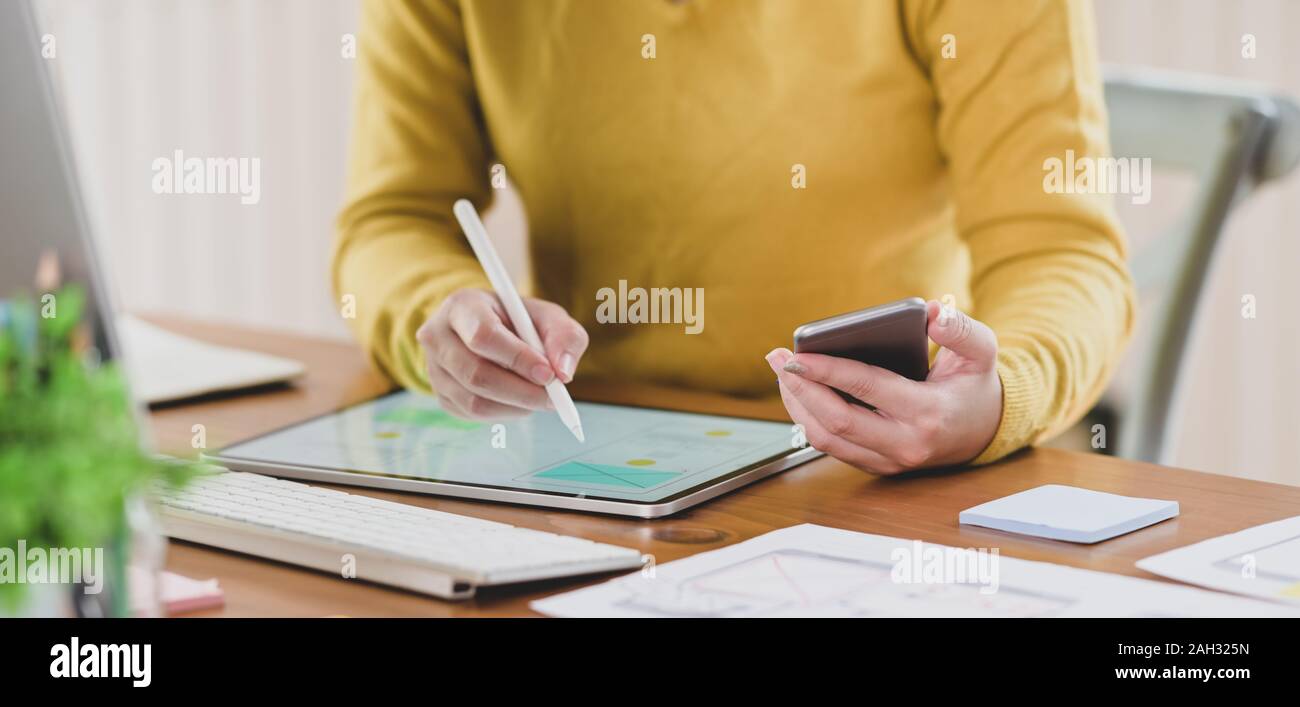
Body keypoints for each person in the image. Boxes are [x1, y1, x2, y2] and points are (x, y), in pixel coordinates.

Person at [333, 0, 1135, 473]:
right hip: (593, 458)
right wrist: (441, 315)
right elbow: (393, 218)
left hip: (873, 470)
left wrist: (998, 397)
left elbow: (1061, 252)